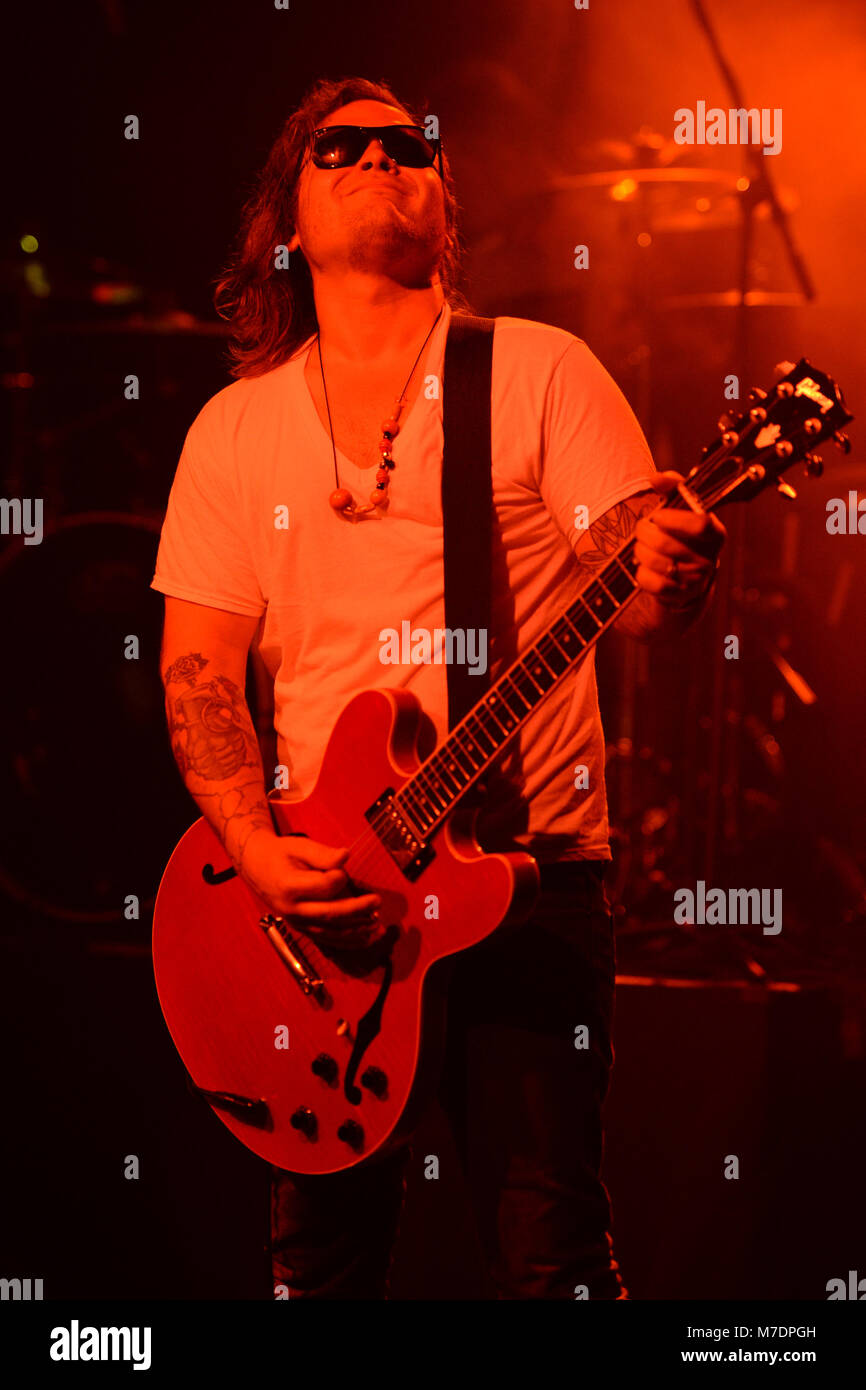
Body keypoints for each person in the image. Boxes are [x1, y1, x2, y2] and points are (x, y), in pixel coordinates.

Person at [151, 76, 725, 1300]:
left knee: (554, 1263)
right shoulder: (232, 432)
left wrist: (669, 572)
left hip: (527, 877)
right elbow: (198, 669)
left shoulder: (537, 373)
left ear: (440, 202)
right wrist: (252, 849)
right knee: (318, 1276)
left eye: (404, 144)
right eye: (335, 146)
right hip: (321, 912)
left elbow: (629, 573)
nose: (375, 157)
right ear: (285, 224)